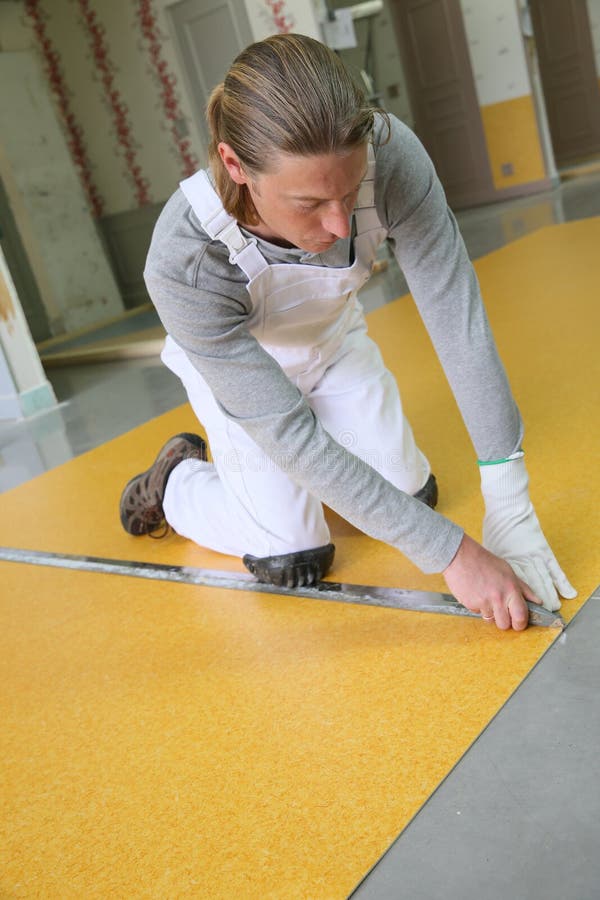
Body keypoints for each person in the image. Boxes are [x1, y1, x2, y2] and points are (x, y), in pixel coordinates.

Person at [120, 33, 576, 631]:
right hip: (243, 383)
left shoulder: (393, 158)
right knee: (292, 553)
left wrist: (508, 493)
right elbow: (288, 432)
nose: (338, 223)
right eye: (310, 203)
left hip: (331, 342)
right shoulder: (187, 259)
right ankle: (177, 481)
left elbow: (456, 319)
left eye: (349, 190)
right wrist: (455, 554)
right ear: (235, 165)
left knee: (414, 501)